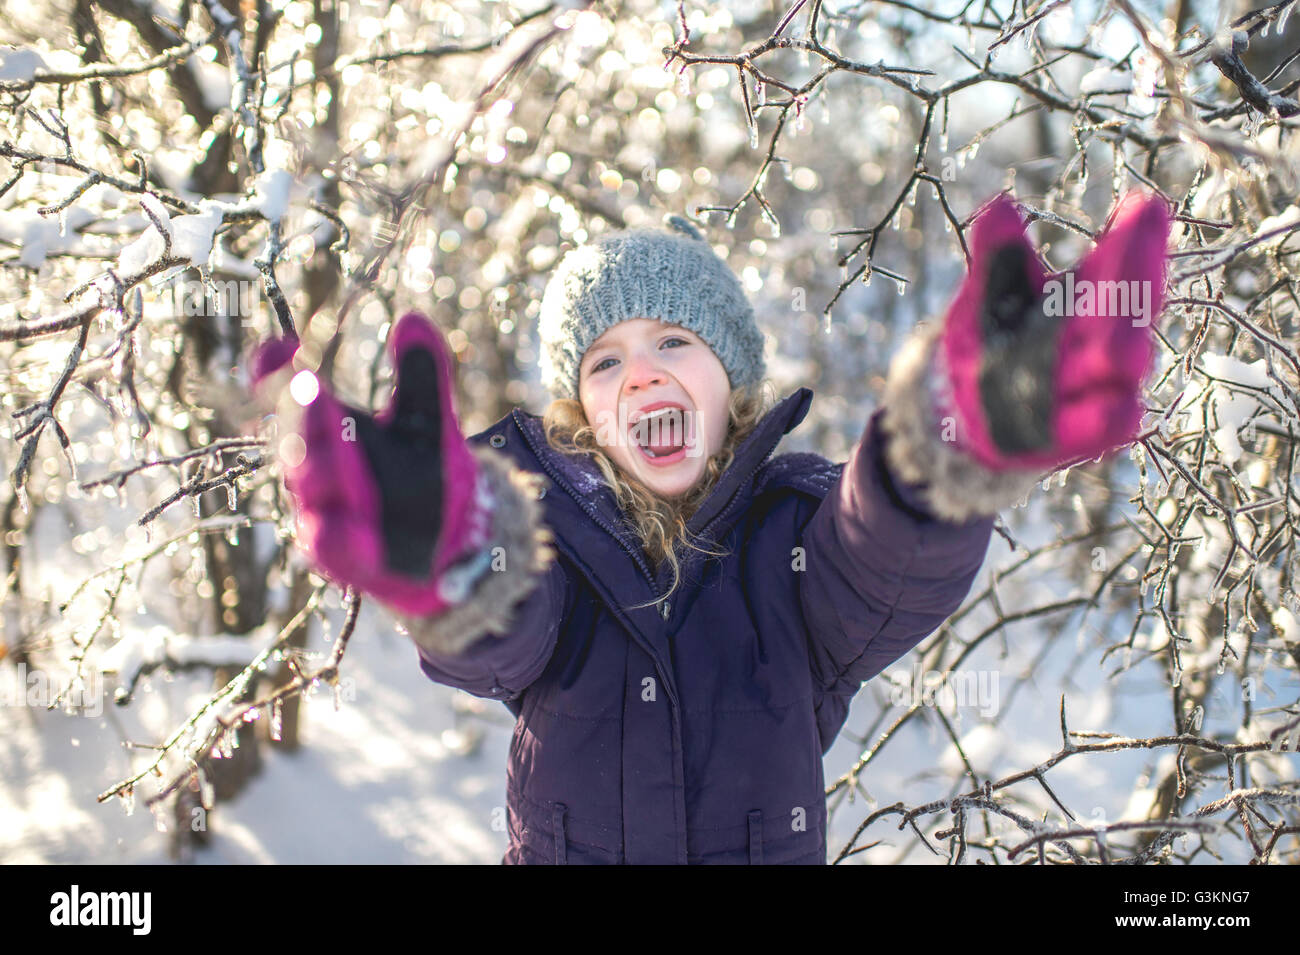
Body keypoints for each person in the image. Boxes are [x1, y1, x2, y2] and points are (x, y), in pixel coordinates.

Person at [252, 191, 1172, 864]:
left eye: (674, 341)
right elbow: (505, 625)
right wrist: (449, 549)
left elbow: (883, 554)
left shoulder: (793, 538)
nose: (642, 374)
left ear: (731, 379)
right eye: (605, 359)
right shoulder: (549, 540)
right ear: (583, 409)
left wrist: (947, 441)